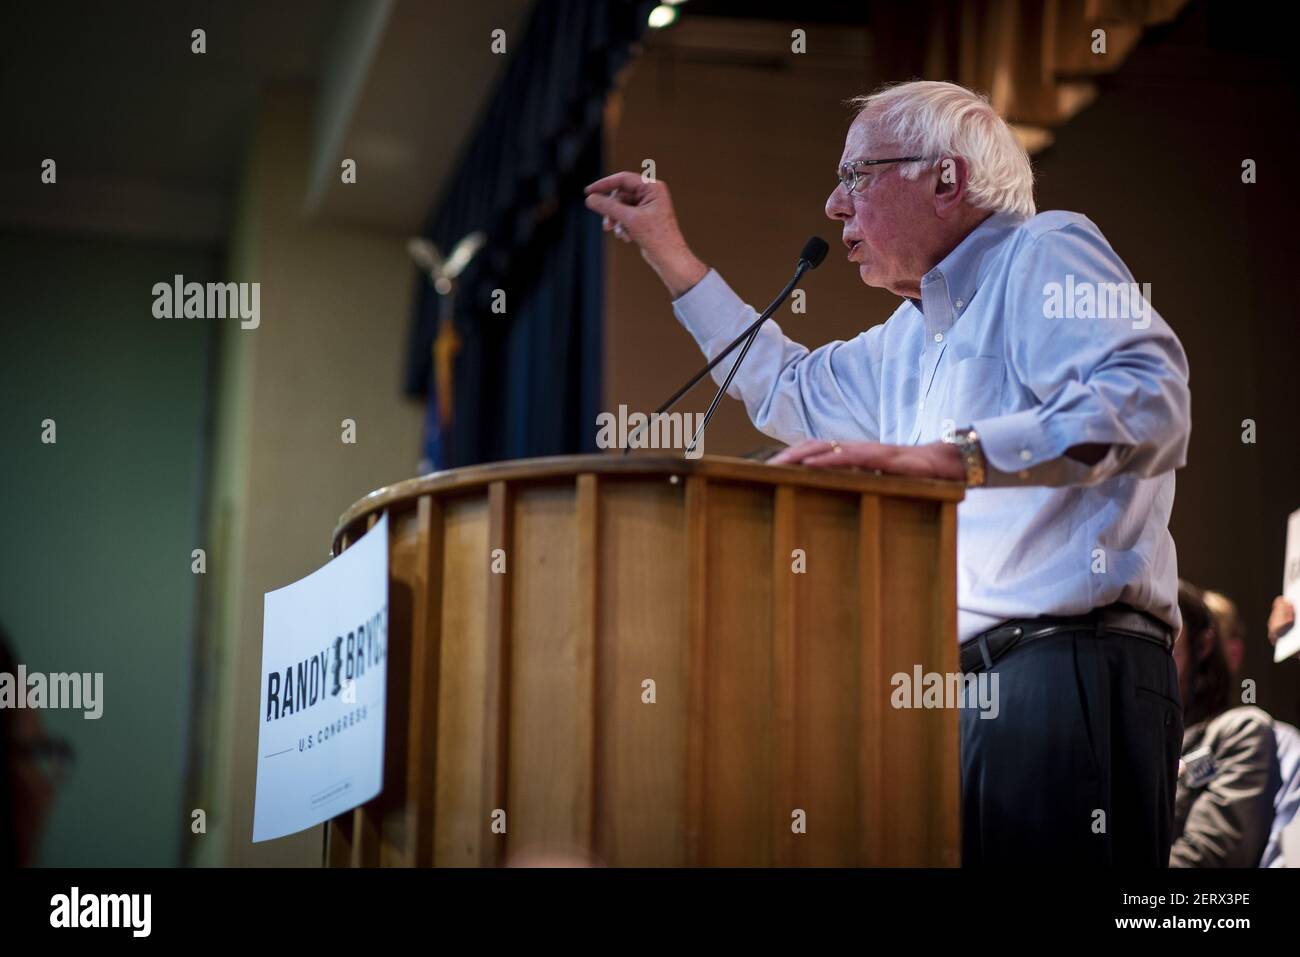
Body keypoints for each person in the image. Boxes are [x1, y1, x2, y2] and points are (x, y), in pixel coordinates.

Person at [586, 79, 1190, 865]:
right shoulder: (910, 337)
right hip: (957, 695)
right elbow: (786, 386)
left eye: (856, 177)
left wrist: (951, 456)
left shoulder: (1043, 250)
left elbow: (1147, 403)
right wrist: (669, 251)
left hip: (1066, 669)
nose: (835, 207)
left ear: (948, 178)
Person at [1170, 582, 1278, 867]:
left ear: (1204, 645)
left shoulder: (1240, 730)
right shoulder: (1120, 736)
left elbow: (1208, 858)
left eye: (1166, 627)